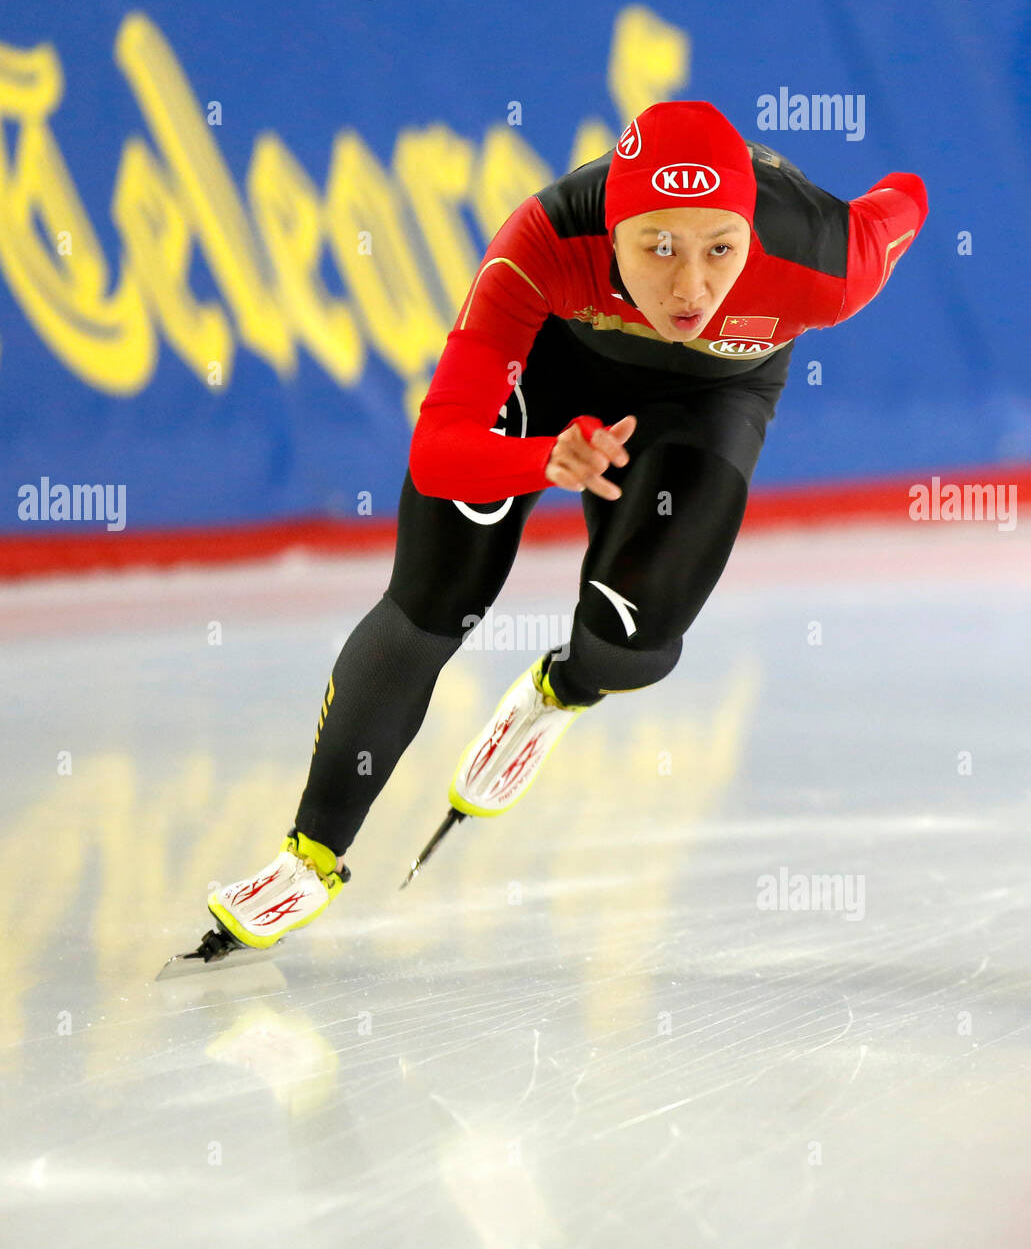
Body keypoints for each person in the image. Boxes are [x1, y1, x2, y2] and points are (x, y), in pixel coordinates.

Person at [204, 99, 928, 952]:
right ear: (611, 235)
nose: (689, 287)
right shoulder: (542, 244)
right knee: (432, 599)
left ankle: (565, 688)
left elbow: (905, 196)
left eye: (718, 250)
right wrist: (541, 458)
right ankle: (308, 855)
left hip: (708, 399)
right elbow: (441, 449)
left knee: (633, 638)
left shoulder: (826, 259)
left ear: (750, 238)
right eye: (658, 247)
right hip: (553, 371)